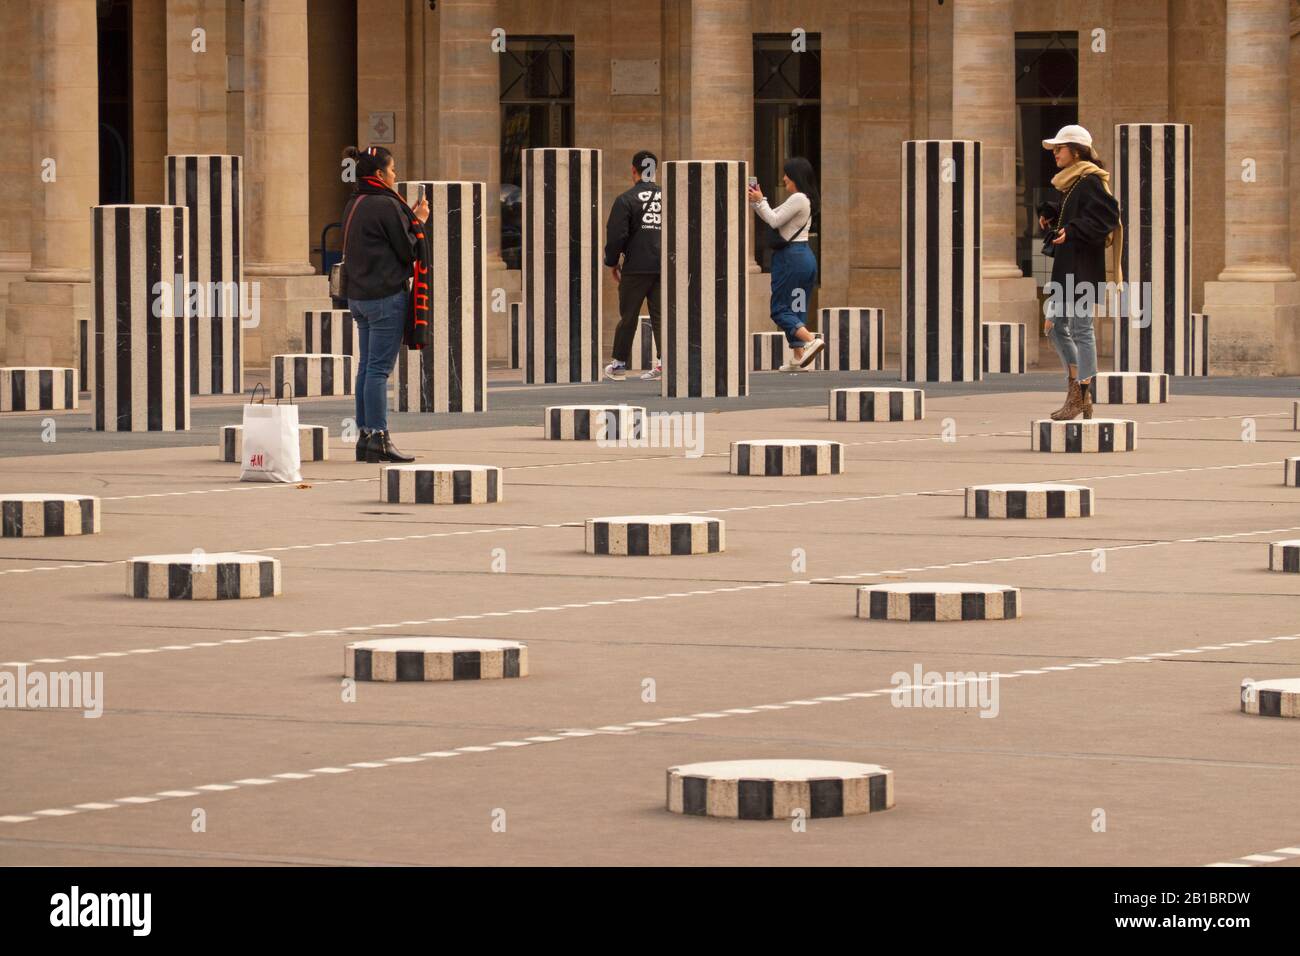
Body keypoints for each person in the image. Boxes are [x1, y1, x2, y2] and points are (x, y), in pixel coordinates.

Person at [339, 145, 429, 462]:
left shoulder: (354, 202)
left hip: (359, 298)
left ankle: (365, 438)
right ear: (379, 174)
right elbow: (408, 251)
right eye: (392, 170)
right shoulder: (386, 205)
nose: (395, 175)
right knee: (378, 370)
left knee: (366, 368)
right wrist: (418, 221)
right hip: (384, 297)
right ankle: (378, 435)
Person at [1038, 124, 1122, 421]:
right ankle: (1077, 385)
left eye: (1059, 149)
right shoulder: (1072, 183)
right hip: (1067, 268)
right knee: (1054, 326)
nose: (1055, 154)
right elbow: (1070, 211)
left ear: (1076, 151)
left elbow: (1108, 216)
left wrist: (1072, 230)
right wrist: (1049, 214)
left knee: (1081, 329)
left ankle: (1081, 394)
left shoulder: (1089, 181)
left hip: (1082, 269)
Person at [748, 157, 824, 372]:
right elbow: (774, 217)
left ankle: (810, 341)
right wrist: (757, 201)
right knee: (797, 306)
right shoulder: (804, 198)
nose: (783, 178)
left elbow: (773, 220)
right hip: (804, 256)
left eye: (787, 174)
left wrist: (760, 201)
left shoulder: (798, 198)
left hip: (791, 258)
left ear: (796, 176)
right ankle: (799, 357)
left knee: (779, 310)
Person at [603, 151, 663, 382]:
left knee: (628, 315)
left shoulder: (626, 199)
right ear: (654, 171)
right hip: (662, 266)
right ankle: (664, 363)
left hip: (636, 266)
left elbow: (616, 234)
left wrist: (611, 261)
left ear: (633, 170)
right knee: (661, 316)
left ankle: (619, 364)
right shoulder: (667, 197)